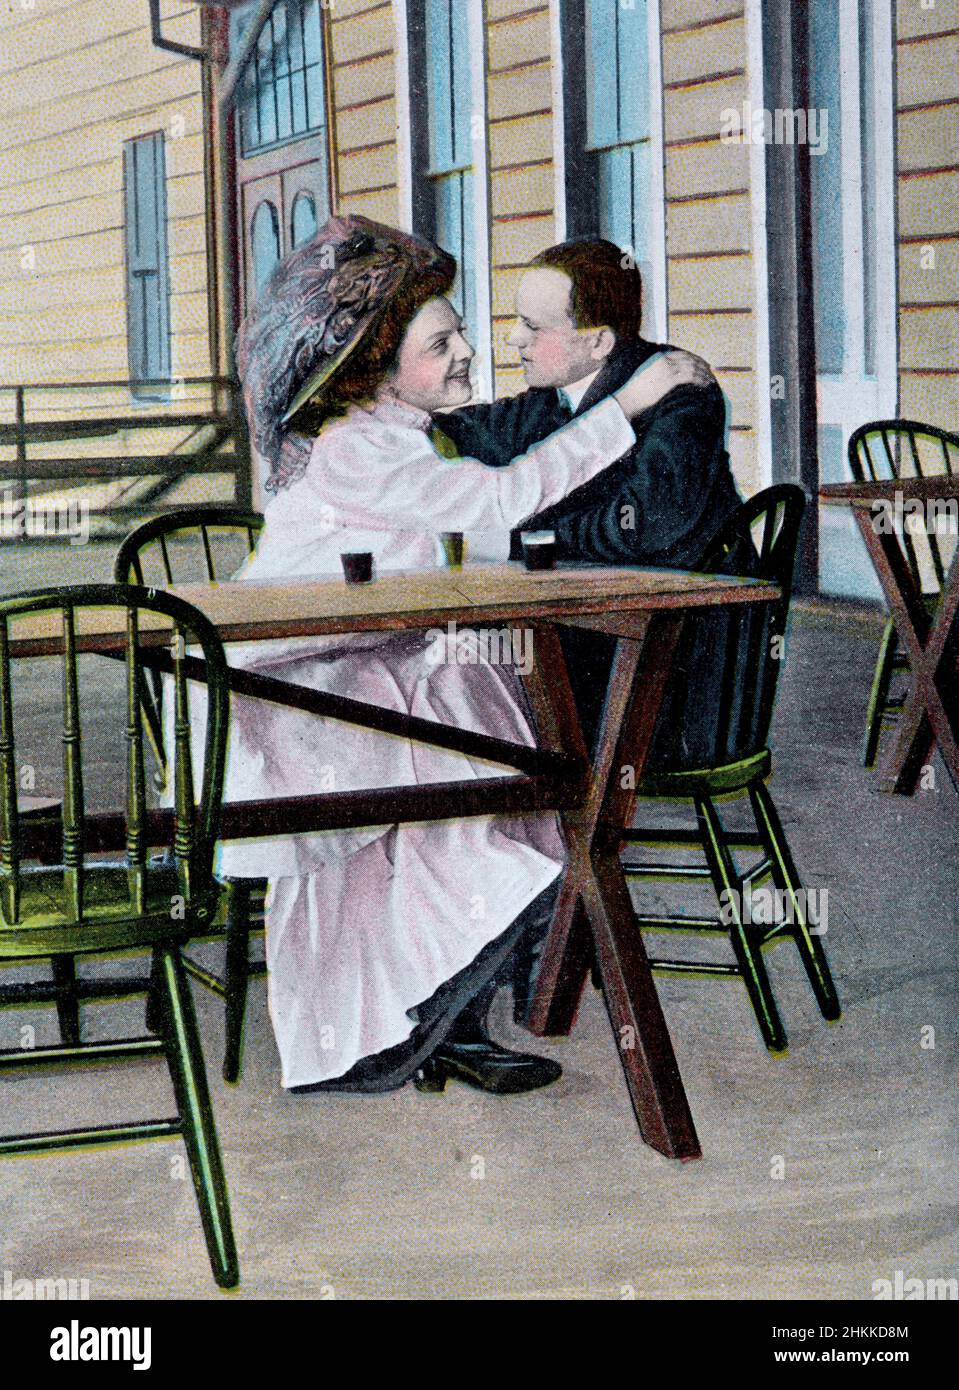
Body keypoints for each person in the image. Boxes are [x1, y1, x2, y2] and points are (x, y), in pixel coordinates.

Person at [198, 215, 708, 1098]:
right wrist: (630, 400)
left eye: (461, 330)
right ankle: (393, 1028)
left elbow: (455, 522)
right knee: (470, 787)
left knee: (499, 758)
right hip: (303, 690)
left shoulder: (397, 429)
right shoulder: (353, 445)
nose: (471, 350)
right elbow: (501, 499)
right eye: (443, 343)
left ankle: (445, 1017)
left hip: (380, 662)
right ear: (374, 368)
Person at [438, 238, 751, 765]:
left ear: (599, 340)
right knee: (452, 668)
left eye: (533, 327)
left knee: (464, 680)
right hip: (604, 645)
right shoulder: (553, 397)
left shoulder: (680, 394)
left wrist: (525, 536)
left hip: (672, 677)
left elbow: (643, 524)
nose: (515, 340)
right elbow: (464, 429)